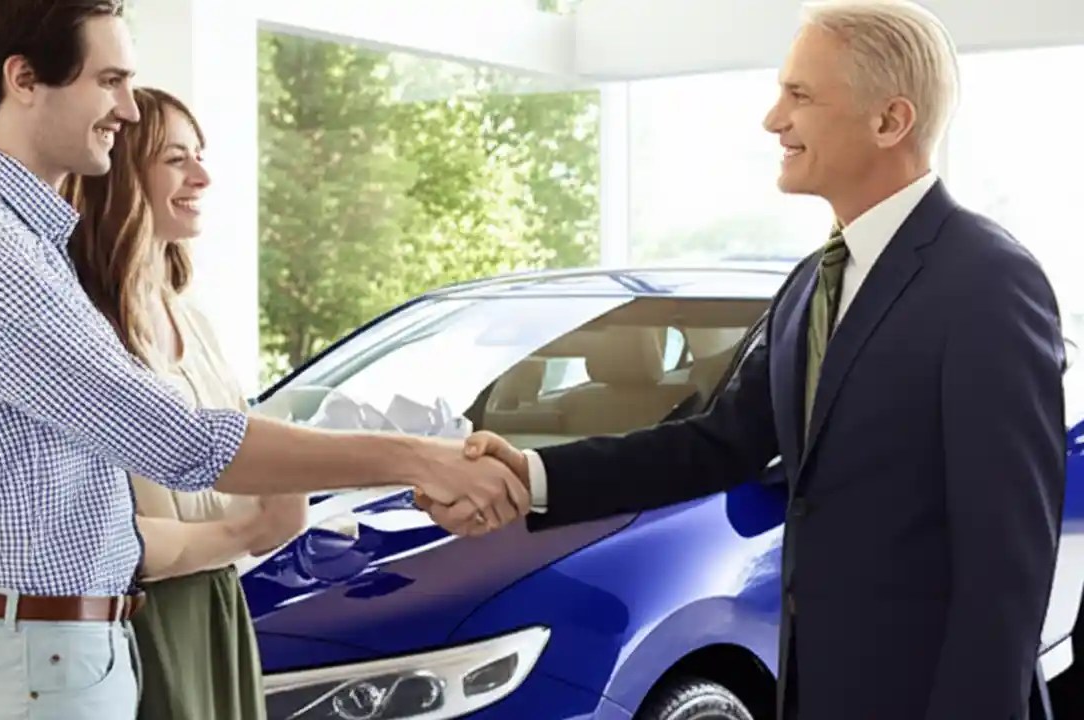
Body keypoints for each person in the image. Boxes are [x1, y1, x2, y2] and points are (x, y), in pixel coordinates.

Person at [0, 2, 527, 718]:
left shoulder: (22, 245)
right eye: (109, 80)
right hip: (30, 662)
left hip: (52, 651)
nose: (127, 109)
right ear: (24, 79)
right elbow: (182, 442)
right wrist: (420, 460)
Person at [438, 1, 1067, 718]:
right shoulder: (809, 285)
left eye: (800, 95)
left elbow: (1007, 563)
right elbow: (718, 444)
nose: (773, 120)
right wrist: (532, 475)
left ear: (890, 121)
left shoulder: (989, 282)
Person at [62, 86, 297, 720]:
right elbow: (109, 531)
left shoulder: (191, 320)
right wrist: (250, 528)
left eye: (200, 155)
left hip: (216, 602)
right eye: (175, 159)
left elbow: (238, 464)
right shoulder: (83, 325)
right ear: (120, 174)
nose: (202, 176)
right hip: (135, 621)